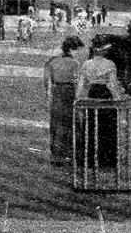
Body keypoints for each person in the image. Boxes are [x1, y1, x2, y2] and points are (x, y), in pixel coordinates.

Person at [76, 36, 124, 169]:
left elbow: (81, 84)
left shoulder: (87, 64)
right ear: (103, 50)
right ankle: (107, 159)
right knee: (107, 127)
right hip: (105, 95)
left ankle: (90, 159)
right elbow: (112, 84)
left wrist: (79, 99)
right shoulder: (109, 64)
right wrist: (118, 100)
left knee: (92, 124)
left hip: (92, 94)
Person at [44, 36, 83, 166]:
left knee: (56, 121)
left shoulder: (54, 62)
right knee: (70, 122)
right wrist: (79, 98)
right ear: (72, 49)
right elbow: (77, 83)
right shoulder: (75, 64)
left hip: (57, 92)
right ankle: (69, 153)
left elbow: (48, 81)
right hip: (69, 92)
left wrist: (49, 95)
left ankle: (55, 153)